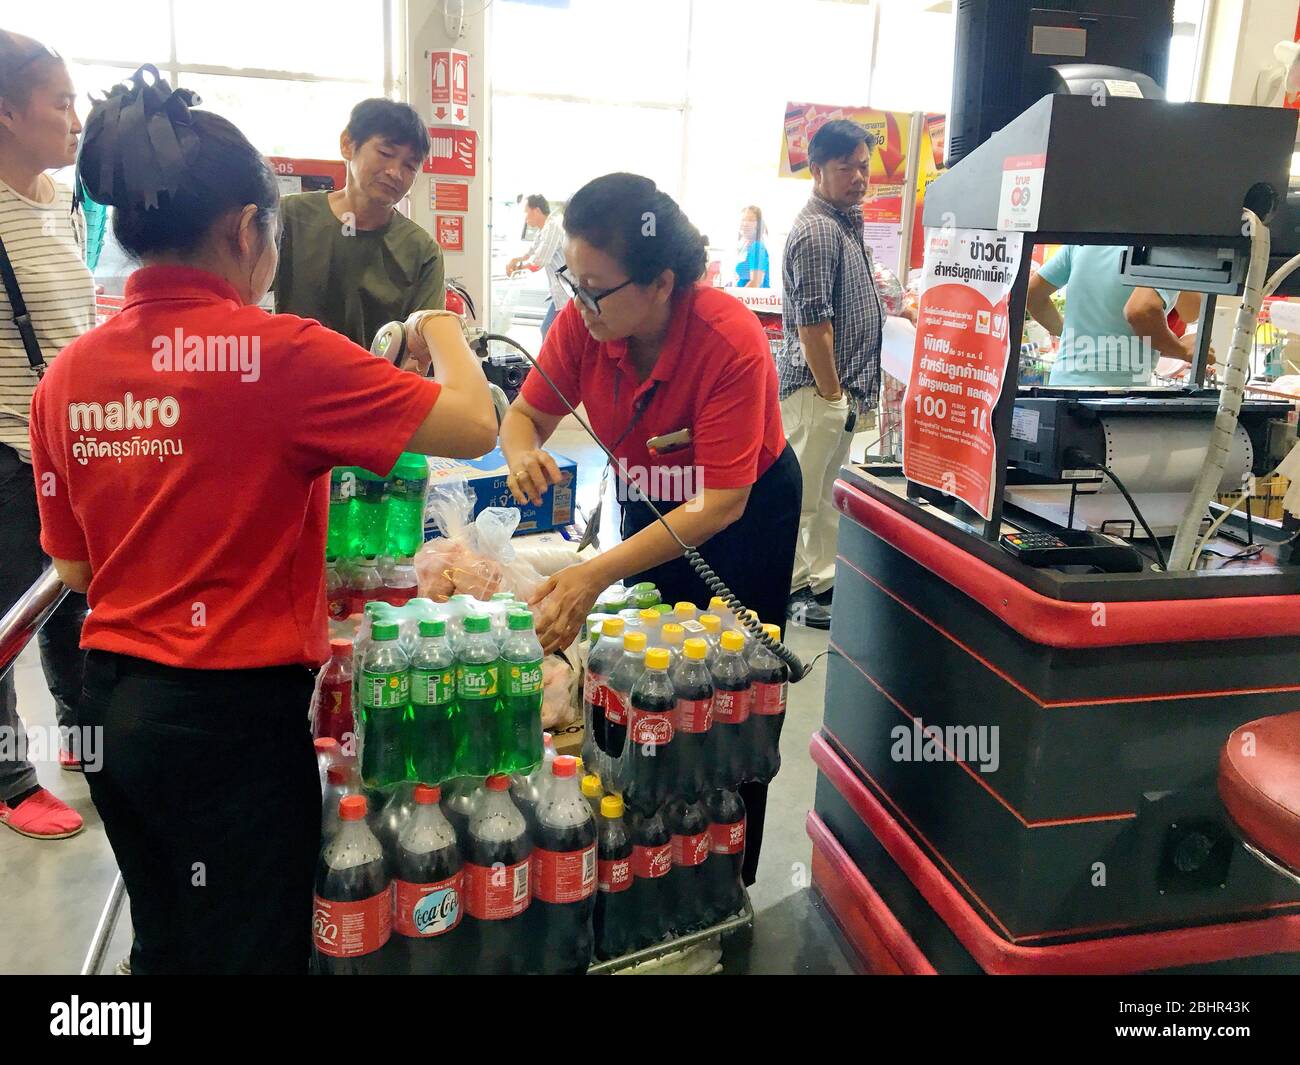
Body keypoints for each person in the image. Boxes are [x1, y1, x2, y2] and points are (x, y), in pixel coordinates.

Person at [29, 68, 495, 975]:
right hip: (232, 728)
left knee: (164, 941)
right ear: (246, 230)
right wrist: (443, 325)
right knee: (252, 949)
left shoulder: (70, 375)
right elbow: (474, 425)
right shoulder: (281, 356)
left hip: (110, 711)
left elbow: (79, 574)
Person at [499, 172, 799, 886]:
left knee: (729, 693)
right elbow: (523, 416)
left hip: (741, 518)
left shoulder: (728, 340)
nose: (581, 301)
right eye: (574, 280)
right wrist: (520, 453)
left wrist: (595, 572)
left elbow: (721, 501)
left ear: (662, 282)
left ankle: (724, 873)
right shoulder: (587, 322)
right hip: (652, 504)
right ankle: (650, 853)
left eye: (597, 287)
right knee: (647, 675)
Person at [0, 31, 91, 840]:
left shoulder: (60, 202)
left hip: (66, 449)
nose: (75, 117)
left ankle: (82, 738)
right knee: (5, 620)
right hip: (3, 448)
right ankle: (8, 776)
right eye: (59, 102)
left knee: (70, 596)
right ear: (6, 112)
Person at [778, 120, 883, 630]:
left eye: (864, 166)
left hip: (833, 393)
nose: (860, 177)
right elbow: (813, 323)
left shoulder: (844, 221)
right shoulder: (819, 230)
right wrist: (832, 392)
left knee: (823, 498)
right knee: (798, 500)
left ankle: (819, 583)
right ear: (817, 170)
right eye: (847, 168)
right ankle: (790, 590)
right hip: (816, 391)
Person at [273, 97, 444, 348]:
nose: (395, 172)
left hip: (377, 385)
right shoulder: (289, 216)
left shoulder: (421, 251)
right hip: (294, 380)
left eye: (410, 165)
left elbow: (421, 351)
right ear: (347, 144)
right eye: (386, 153)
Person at [1026, 245, 1195, 386]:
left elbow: (1032, 295)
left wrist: (1074, 336)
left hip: (1062, 384)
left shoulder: (1085, 240)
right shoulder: (1163, 250)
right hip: (1118, 394)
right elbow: (1143, 311)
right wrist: (1180, 349)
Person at [506, 193, 569, 339]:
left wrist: (517, 267)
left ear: (536, 210)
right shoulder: (544, 229)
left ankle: (550, 362)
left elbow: (539, 261)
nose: (526, 217)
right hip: (559, 293)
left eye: (526, 212)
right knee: (549, 331)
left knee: (548, 331)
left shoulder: (553, 227)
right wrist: (515, 260)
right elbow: (531, 251)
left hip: (566, 293)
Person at [734, 205, 770, 288]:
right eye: (743, 219)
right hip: (743, 297)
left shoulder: (757, 247)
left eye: (751, 220)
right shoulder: (744, 247)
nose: (745, 223)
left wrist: (735, 299)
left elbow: (755, 283)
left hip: (750, 298)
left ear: (759, 224)